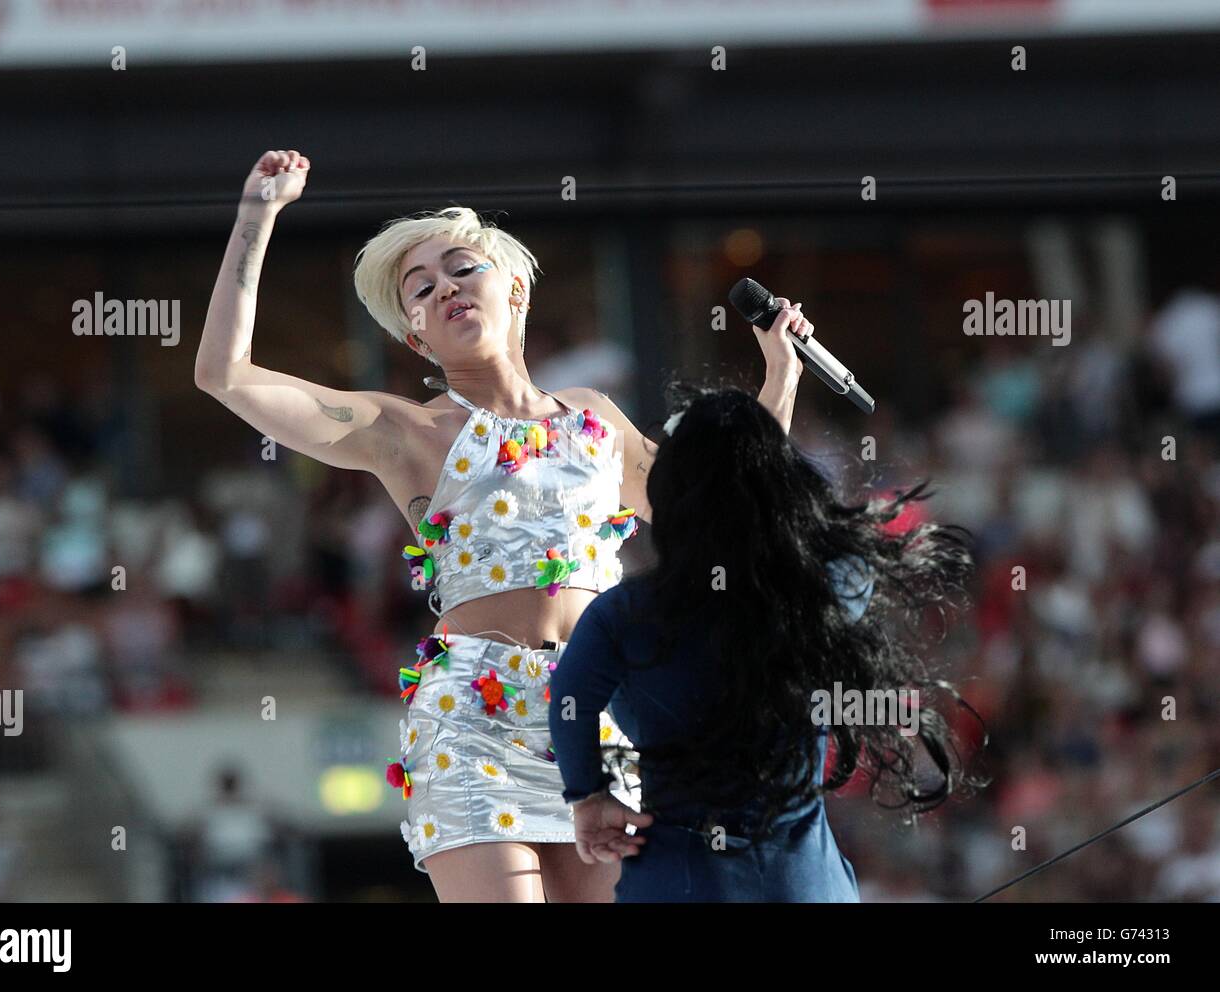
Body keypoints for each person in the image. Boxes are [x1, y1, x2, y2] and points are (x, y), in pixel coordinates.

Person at [195, 150, 815, 902]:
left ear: (514, 288)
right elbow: (226, 375)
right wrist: (257, 217)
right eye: (420, 290)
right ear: (418, 338)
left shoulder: (591, 417)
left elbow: (726, 509)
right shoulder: (409, 432)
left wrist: (779, 377)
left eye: (461, 268)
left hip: (599, 710)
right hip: (474, 715)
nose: (444, 287)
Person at [549, 382, 983, 901]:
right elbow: (805, 535)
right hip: (806, 881)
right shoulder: (826, 591)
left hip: (680, 881)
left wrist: (588, 796)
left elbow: (570, 701)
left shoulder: (622, 614)